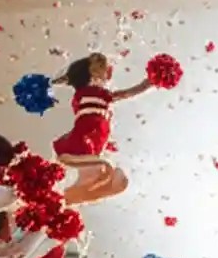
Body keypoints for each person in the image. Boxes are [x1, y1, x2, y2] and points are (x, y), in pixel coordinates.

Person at [50, 52, 152, 203]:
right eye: (105, 71)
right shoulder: (94, 93)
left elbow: (122, 95)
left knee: (89, 164)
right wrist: (147, 84)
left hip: (95, 135)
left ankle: (84, 187)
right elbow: (126, 94)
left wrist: (147, 84)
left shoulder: (87, 95)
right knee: (87, 157)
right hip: (91, 134)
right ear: (95, 74)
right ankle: (93, 176)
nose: (108, 75)